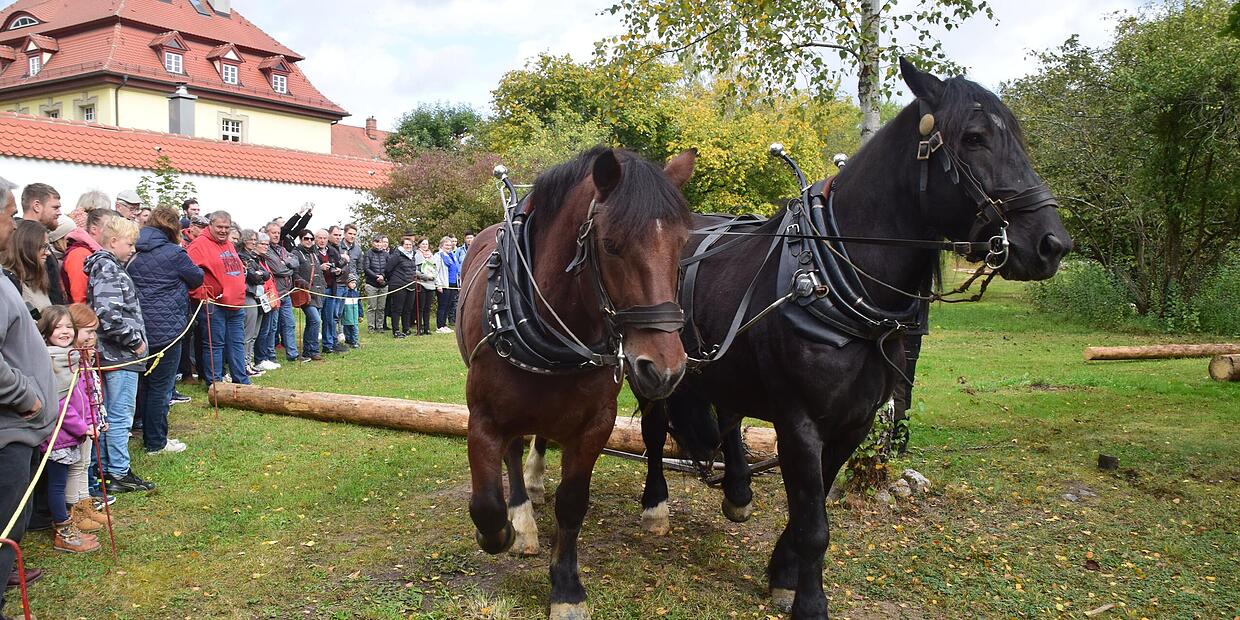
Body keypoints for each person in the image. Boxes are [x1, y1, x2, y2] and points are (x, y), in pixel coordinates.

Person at [0, 175, 57, 611]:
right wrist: (28, 395)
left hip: (16, 427)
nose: (13, 220)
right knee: (6, 522)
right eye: (8, 211)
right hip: (9, 428)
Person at [85, 216, 153, 493]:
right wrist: (135, 342)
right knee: (120, 414)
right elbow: (108, 316)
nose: (133, 249)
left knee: (112, 413)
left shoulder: (109, 267)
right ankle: (117, 472)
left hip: (116, 355)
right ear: (113, 242)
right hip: (119, 355)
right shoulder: (108, 269)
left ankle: (109, 469)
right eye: (130, 243)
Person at [128, 206, 203, 455]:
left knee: (144, 385)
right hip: (167, 330)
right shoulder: (174, 253)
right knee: (161, 387)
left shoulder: (132, 250)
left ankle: (143, 431)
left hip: (138, 329)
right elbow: (196, 278)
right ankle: (156, 442)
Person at [36, 306, 101, 553]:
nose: (64, 331)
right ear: (46, 330)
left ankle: (73, 519)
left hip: (72, 434)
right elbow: (61, 403)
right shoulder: (52, 361)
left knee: (64, 479)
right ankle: (63, 530)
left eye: (68, 327)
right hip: (58, 436)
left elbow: (81, 396)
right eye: (58, 326)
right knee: (57, 484)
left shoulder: (71, 356)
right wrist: (83, 427)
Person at [187, 211, 251, 386]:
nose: (223, 231)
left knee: (237, 343)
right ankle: (215, 383)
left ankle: (242, 380)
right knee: (214, 346)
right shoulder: (198, 245)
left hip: (235, 304)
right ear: (210, 226)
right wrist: (202, 295)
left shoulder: (229, 245)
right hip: (214, 306)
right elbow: (189, 274)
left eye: (226, 227)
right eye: (219, 227)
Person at [65, 303, 113, 519]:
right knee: (76, 467)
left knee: (85, 464)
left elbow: (94, 393)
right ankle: (76, 512)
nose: (93, 337)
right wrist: (85, 424)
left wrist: (100, 418)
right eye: (88, 331)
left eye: (95, 331)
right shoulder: (71, 362)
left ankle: (86, 505)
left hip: (91, 421)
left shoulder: (87, 357)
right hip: (79, 425)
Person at [20, 182, 66, 306]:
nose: (60, 212)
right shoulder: (17, 241)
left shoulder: (43, 238)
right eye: (55, 207)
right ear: (37, 206)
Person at [62, 208, 118, 304]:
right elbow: (80, 299)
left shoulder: (96, 254)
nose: (113, 233)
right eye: (109, 228)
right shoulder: (80, 254)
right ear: (94, 229)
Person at [263, 223, 300, 363]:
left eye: (278, 233)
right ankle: (270, 355)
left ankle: (292, 353)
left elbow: (295, 261)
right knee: (272, 327)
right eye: (273, 232)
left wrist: (287, 264)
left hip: (286, 293)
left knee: (290, 323)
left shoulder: (282, 249)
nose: (276, 235)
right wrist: (287, 267)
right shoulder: (266, 251)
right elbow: (278, 269)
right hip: (274, 293)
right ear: (267, 233)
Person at [236, 230, 271, 377]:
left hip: (258, 297)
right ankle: (243, 365)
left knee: (254, 333)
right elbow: (252, 277)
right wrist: (258, 275)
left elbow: (266, 275)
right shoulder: (241, 256)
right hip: (248, 295)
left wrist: (259, 275)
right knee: (247, 334)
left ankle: (249, 363)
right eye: (252, 239)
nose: (254, 242)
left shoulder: (253, 257)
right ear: (245, 240)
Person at [1, 220, 54, 316]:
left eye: (48, 247)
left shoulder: (38, 279)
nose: (48, 253)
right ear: (26, 247)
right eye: (44, 246)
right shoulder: (9, 283)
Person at [252, 232, 282, 370]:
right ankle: (259, 358)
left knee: (269, 328)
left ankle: (265, 356)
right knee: (262, 330)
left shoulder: (263, 259)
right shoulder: (254, 260)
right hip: (260, 297)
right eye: (262, 244)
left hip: (270, 297)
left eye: (267, 244)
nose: (265, 247)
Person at [293, 231, 325, 360]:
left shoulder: (314, 253)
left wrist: (323, 285)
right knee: (315, 320)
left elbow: (319, 271)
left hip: (317, 292)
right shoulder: (296, 253)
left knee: (313, 322)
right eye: (306, 238)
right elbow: (294, 273)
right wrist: (302, 282)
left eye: (311, 239)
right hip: (306, 292)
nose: (309, 241)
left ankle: (309, 350)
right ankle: (313, 350)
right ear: (301, 239)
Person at [316, 227, 348, 354]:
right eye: (320, 238)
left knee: (330, 319)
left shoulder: (332, 251)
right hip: (318, 290)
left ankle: (328, 345)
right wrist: (320, 267)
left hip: (331, 288)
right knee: (316, 320)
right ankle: (312, 348)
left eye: (324, 238)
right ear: (316, 239)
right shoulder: (313, 252)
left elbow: (339, 265)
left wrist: (338, 271)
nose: (322, 240)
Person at [384, 235, 418, 338]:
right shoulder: (397, 255)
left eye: (410, 244)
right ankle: (396, 330)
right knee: (397, 309)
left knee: (408, 308)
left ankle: (406, 329)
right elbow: (388, 269)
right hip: (398, 284)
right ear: (402, 245)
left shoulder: (412, 255)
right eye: (406, 244)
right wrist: (394, 280)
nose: (408, 246)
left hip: (410, 284)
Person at [362, 235, 389, 333]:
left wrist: (383, 276)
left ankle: (380, 326)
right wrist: (376, 277)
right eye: (376, 242)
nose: (378, 244)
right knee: (372, 307)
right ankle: (371, 327)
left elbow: (388, 268)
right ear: (373, 243)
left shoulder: (386, 254)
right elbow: (366, 268)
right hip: (372, 284)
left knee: (381, 307)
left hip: (383, 284)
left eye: (380, 242)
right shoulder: (368, 253)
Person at [414, 238, 439, 336]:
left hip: (431, 285)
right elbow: (415, 270)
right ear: (419, 245)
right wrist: (425, 276)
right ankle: (419, 328)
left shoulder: (432, 257)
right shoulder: (416, 256)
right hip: (421, 284)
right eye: (423, 244)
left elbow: (436, 269)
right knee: (420, 308)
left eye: (426, 244)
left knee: (427, 308)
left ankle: (427, 328)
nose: (425, 246)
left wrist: (433, 276)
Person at [435, 236, 460, 333]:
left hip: (453, 283)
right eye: (446, 245)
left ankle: (444, 324)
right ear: (441, 245)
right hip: (444, 283)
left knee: (449, 305)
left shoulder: (452, 255)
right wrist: (438, 284)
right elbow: (436, 271)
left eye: (450, 245)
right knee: (442, 305)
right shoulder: (438, 256)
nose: (448, 246)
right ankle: (440, 325)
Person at [341, 275, 360, 348]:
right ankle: (348, 341)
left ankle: (354, 341)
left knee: (355, 328)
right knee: (347, 329)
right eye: (352, 282)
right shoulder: (345, 293)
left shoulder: (356, 294)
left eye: (355, 283)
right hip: (346, 315)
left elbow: (359, 304)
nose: (354, 284)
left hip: (354, 315)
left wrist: (360, 314)